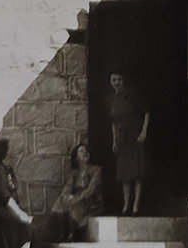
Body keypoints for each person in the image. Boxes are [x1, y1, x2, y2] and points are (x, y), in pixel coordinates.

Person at [105, 72, 149, 215]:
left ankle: (136, 205)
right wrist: (114, 141)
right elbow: (113, 123)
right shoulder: (110, 99)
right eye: (113, 80)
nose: (116, 82)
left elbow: (146, 112)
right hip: (121, 138)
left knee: (136, 173)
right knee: (124, 174)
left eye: (119, 79)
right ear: (110, 81)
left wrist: (143, 132)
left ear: (123, 80)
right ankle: (126, 205)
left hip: (134, 136)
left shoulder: (132, 94)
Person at [0, 138, 32, 248]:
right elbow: (3, 195)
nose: (14, 153)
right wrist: (19, 213)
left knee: (27, 227)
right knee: (21, 225)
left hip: (6, 212)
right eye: (10, 150)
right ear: (5, 153)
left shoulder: (7, 170)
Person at [53, 143, 103, 238]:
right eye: (81, 151)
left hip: (91, 201)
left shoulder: (96, 170)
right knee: (59, 202)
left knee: (75, 206)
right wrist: (67, 197)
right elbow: (67, 188)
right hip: (78, 198)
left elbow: (91, 190)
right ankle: (63, 232)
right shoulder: (74, 173)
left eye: (86, 151)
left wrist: (77, 198)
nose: (85, 153)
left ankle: (73, 234)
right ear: (76, 157)